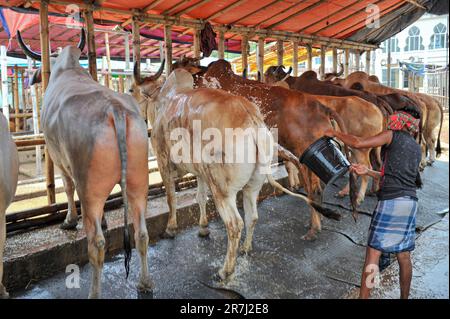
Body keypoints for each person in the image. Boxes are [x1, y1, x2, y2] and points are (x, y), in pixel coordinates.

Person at [324, 106, 422, 299]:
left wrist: (334, 132)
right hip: (409, 203)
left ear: (401, 121)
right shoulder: (416, 147)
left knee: (373, 255)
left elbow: (359, 142)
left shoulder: (392, 135)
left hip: (391, 202)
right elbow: (398, 177)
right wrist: (367, 172)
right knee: (403, 256)